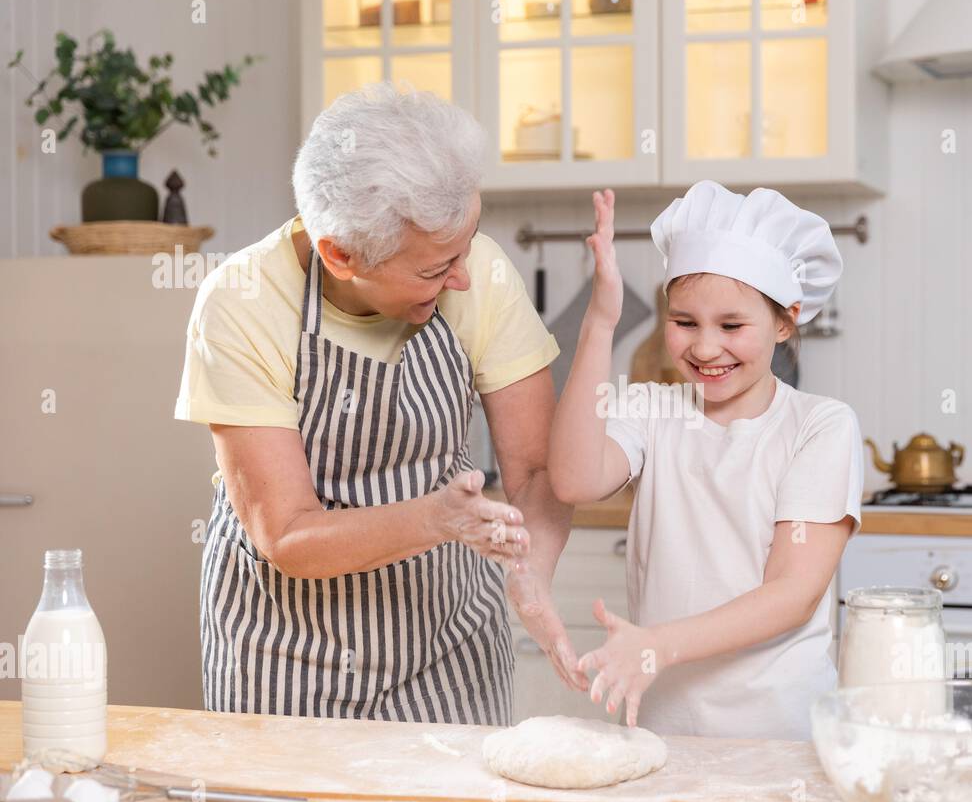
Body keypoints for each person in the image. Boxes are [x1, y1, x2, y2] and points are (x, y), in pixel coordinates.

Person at [174, 83, 584, 724]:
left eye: (466, 246)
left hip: (448, 644)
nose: (464, 278)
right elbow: (286, 532)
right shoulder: (246, 301)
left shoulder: (479, 273)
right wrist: (439, 520)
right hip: (284, 653)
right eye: (433, 270)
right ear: (340, 253)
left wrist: (530, 574)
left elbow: (535, 474)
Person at [549, 181, 864, 740]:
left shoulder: (819, 425)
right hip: (663, 731)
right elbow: (574, 479)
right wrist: (600, 323)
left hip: (777, 736)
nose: (705, 347)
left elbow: (792, 593)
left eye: (732, 326)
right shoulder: (651, 409)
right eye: (684, 322)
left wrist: (656, 646)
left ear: (786, 321)